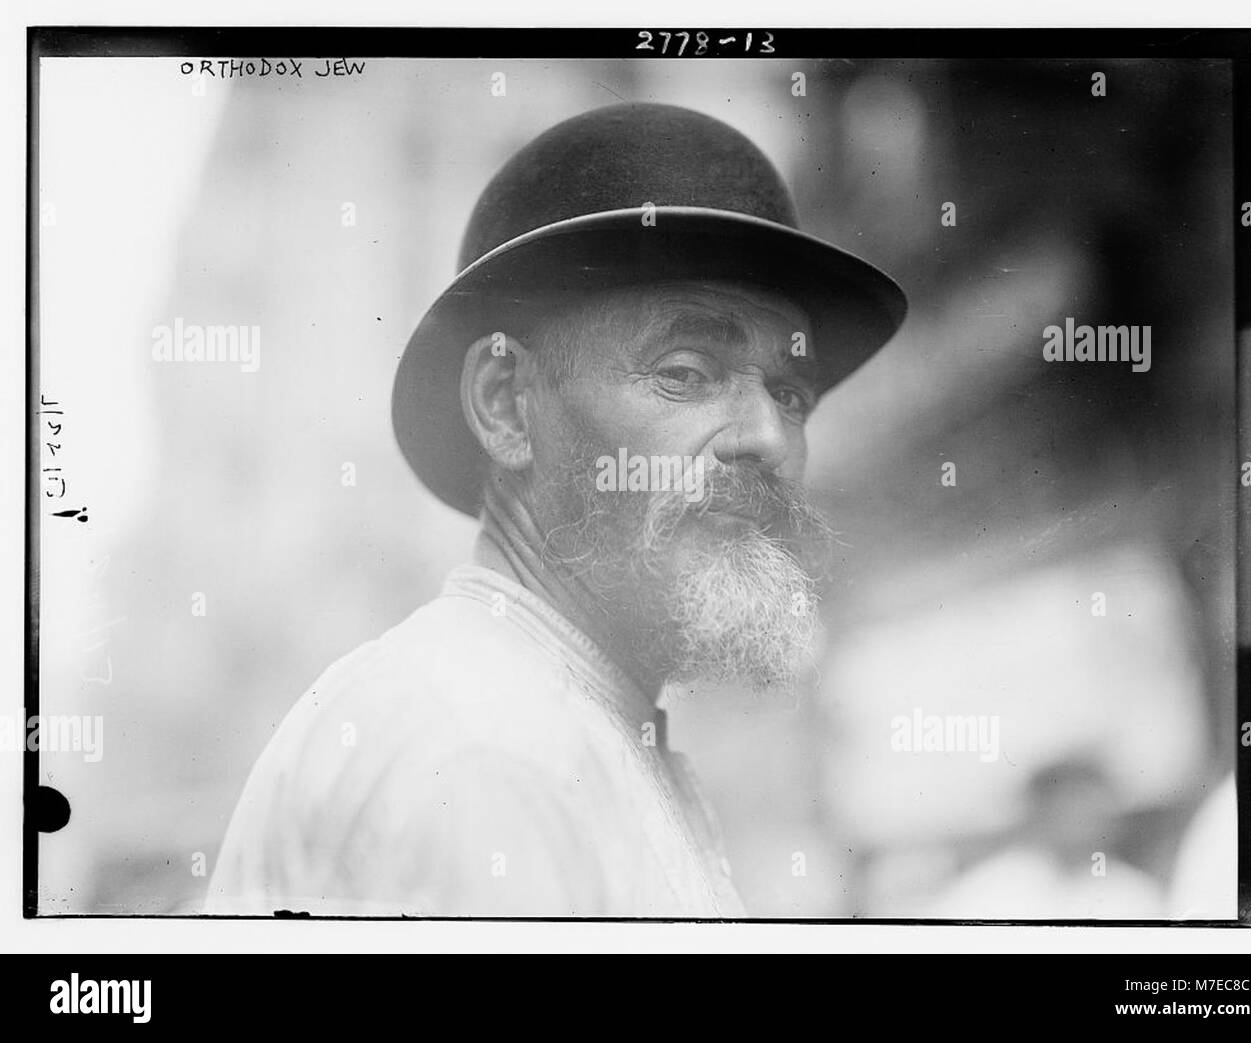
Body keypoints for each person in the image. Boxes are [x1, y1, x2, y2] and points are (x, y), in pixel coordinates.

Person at [207, 102, 906, 917]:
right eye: (684, 372)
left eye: (790, 393)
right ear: (507, 404)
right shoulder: (477, 744)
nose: (768, 438)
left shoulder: (558, 719)